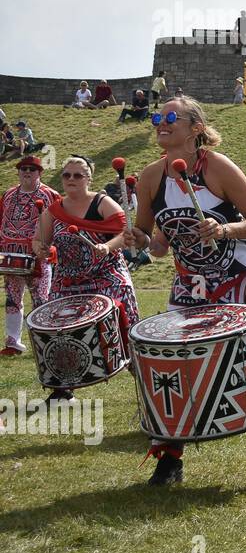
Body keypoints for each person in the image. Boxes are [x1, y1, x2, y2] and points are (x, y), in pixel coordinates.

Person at [128, 99, 246, 487]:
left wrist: (224, 229)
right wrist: (138, 238)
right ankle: (170, 459)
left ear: (195, 127)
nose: (161, 122)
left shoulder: (218, 167)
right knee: (175, 363)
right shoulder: (150, 177)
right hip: (190, 284)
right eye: (158, 117)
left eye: (171, 117)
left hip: (239, 279)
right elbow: (153, 241)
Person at [30, 156, 139, 400]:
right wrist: (41, 249)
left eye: (77, 175)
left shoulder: (102, 202)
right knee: (54, 325)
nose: (71, 179)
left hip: (106, 274)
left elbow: (126, 232)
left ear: (89, 178)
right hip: (68, 279)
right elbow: (39, 240)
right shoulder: (54, 210)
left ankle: (140, 374)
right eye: (66, 175)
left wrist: (108, 247)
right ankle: (61, 389)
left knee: (126, 319)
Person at [1, 156, 59, 355]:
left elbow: (60, 224)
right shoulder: (8, 194)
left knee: (41, 299)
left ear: (40, 172)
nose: (27, 172)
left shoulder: (50, 194)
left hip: (38, 257)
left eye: (32, 169)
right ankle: (12, 341)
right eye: (23, 168)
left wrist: (52, 249)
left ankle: (42, 341)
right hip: (10, 257)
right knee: (12, 298)